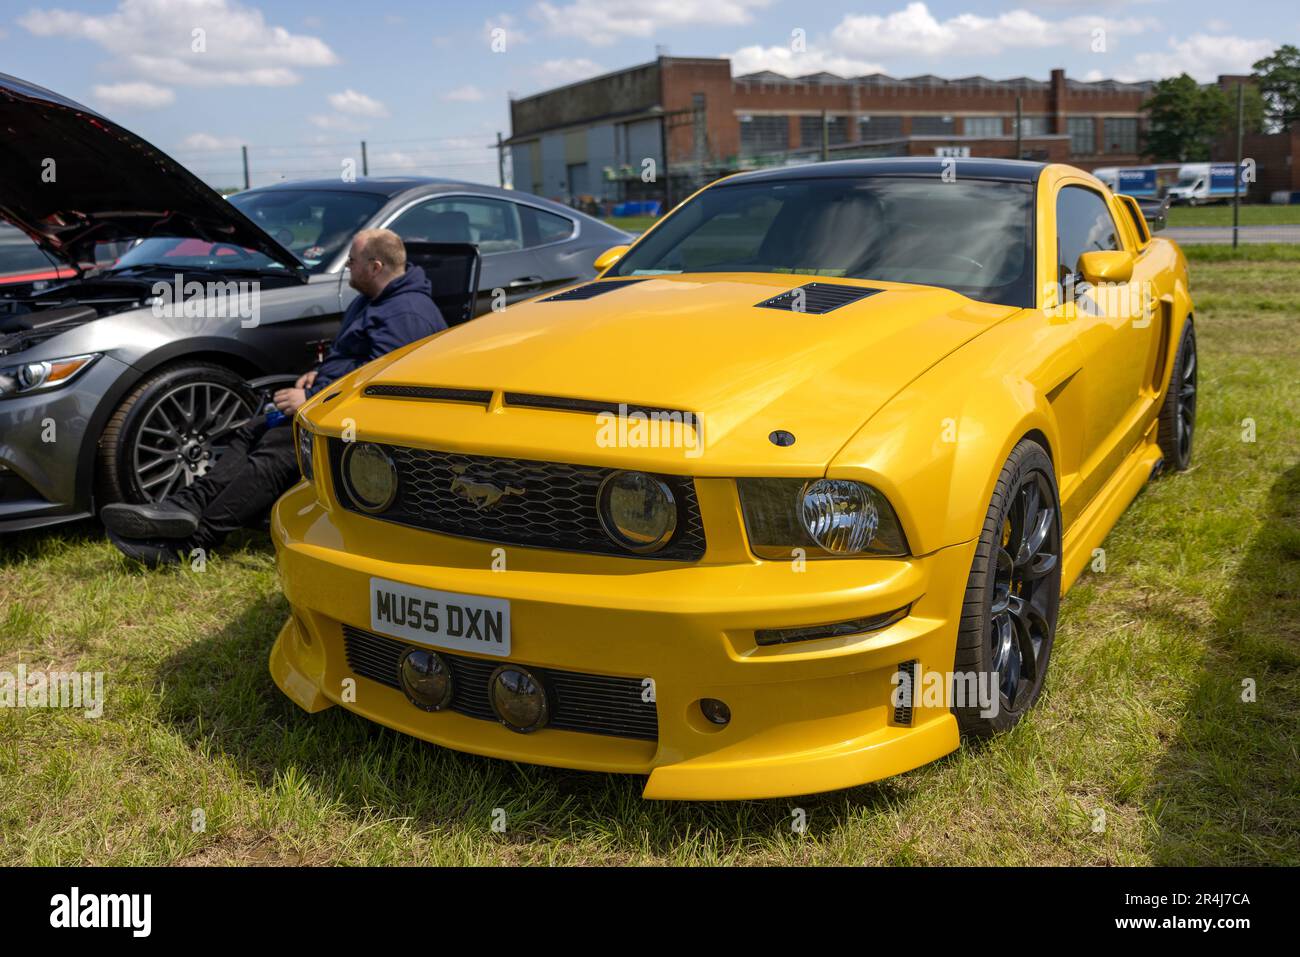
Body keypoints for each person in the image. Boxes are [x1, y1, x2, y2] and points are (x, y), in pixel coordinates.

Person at [101, 228, 445, 566]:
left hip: (357, 420)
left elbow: (383, 385)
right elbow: (355, 360)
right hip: (327, 402)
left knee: (276, 451)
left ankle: (195, 542)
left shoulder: (406, 314)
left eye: (352, 262)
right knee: (250, 431)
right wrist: (317, 375)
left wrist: (310, 396)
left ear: (375, 267)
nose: (346, 268)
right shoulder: (370, 301)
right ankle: (186, 505)